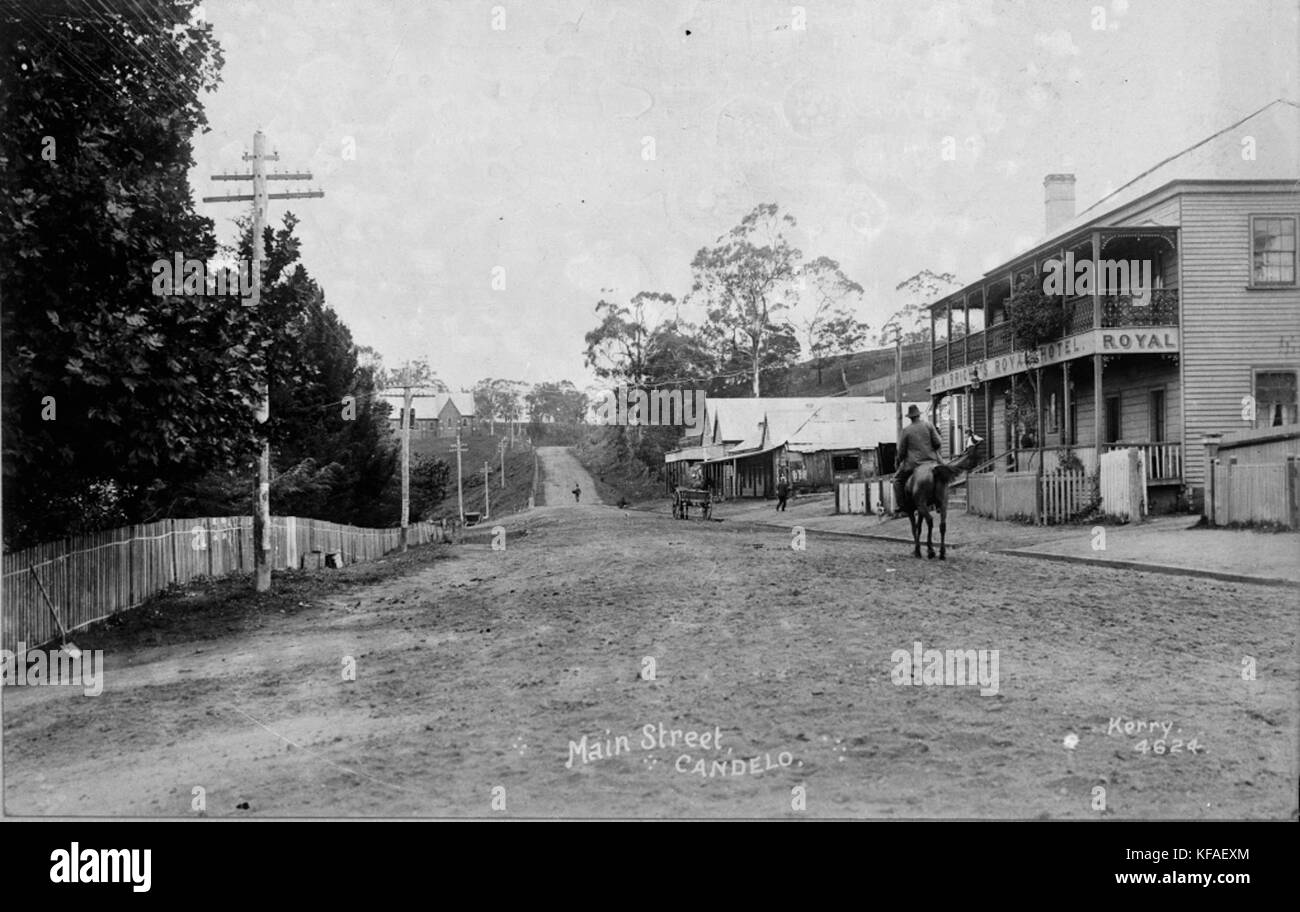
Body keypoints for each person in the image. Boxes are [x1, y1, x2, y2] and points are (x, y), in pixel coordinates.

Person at [893, 404, 942, 516]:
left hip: (913, 464)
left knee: (897, 480)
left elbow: (901, 452)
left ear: (910, 417)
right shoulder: (929, 425)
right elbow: (938, 443)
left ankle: (903, 508)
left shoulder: (906, 430)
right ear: (918, 415)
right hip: (932, 462)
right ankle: (939, 503)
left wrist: (899, 461)